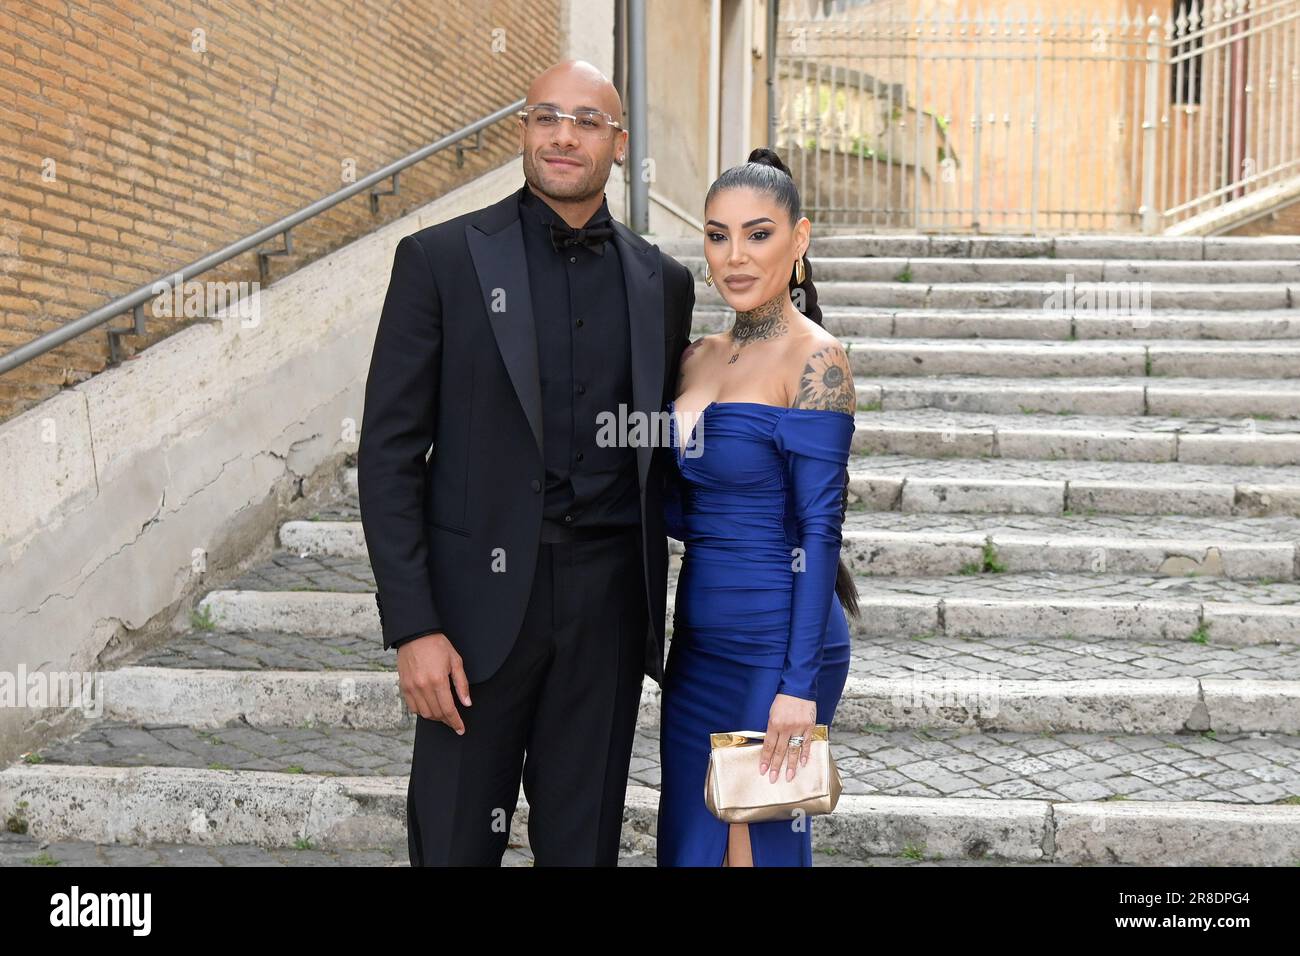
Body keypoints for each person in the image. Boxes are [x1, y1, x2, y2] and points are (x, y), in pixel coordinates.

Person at [357, 59, 694, 865]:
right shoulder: (438, 261)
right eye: (546, 116)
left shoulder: (664, 282)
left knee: (584, 850)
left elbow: (667, 455)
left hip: (608, 612)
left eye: (585, 121)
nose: (562, 135)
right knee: (452, 844)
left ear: (618, 144)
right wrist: (414, 627)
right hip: (472, 620)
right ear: (523, 132)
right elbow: (389, 452)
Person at [656, 147, 860, 867]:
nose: (734, 255)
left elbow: (820, 528)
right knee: (688, 847)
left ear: (798, 240)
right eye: (718, 234)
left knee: (750, 848)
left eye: (758, 234)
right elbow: (685, 507)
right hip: (699, 646)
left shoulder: (817, 361)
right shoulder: (694, 358)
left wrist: (797, 689)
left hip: (781, 649)